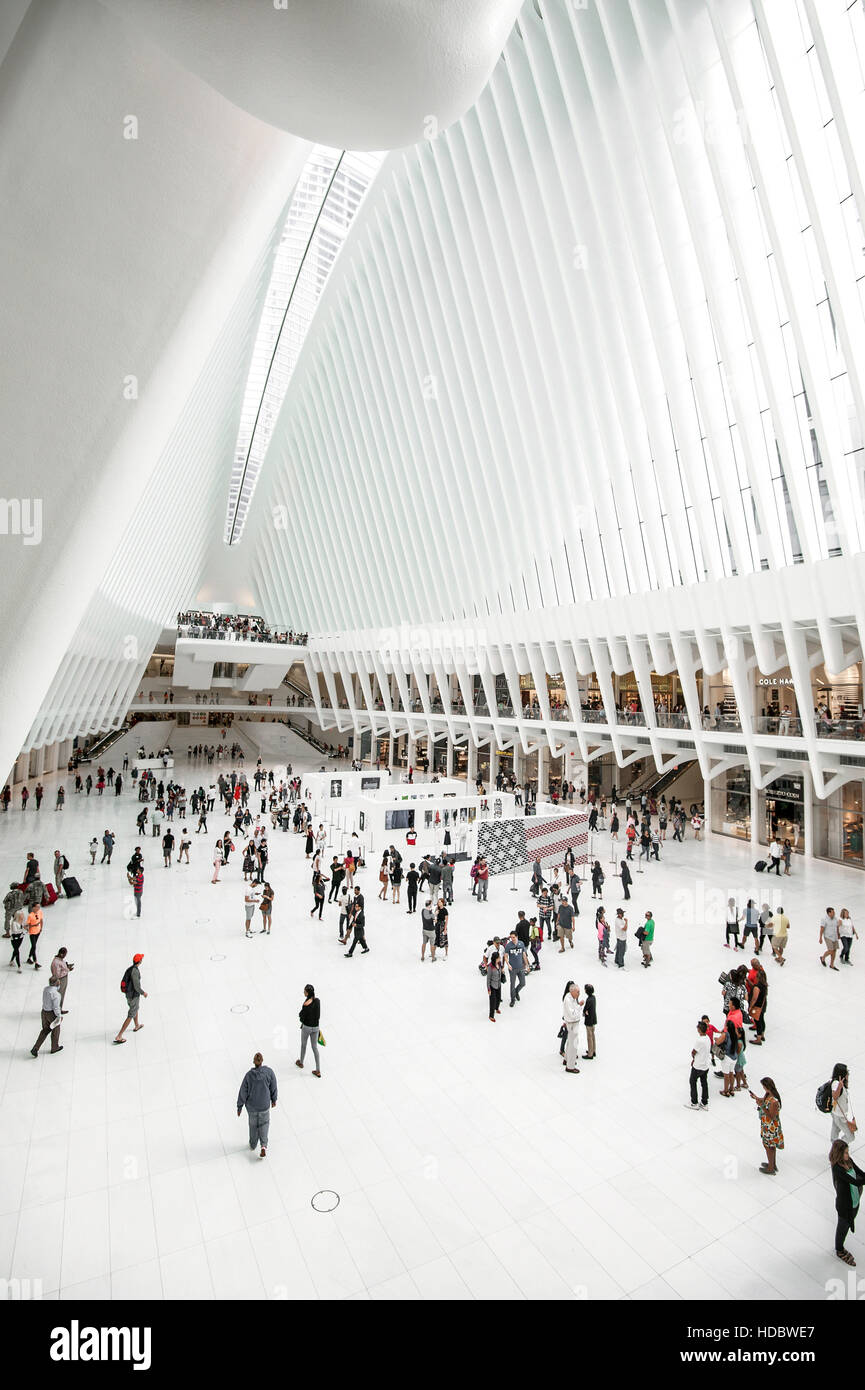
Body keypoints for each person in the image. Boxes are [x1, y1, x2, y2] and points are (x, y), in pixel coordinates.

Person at [830, 1140, 865, 1266]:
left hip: (854, 1201)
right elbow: (855, 1181)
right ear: (839, 1154)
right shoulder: (837, 1169)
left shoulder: (848, 1161)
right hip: (845, 1205)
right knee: (842, 1227)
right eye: (845, 1152)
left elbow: (860, 1173)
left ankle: (840, 1246)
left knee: (846, 1225)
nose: (847, 1154)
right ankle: (839, 1249)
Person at [237, 1052, 278, 1157]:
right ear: (262, 1061)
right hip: (264, 1105)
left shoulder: (249, 1076)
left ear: (254, 1062)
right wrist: (273, 1099)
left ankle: (253, 1144)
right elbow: (273, 1086)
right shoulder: (269, 1072)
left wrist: (239, 1106)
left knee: (253, 1126)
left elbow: (243, 1091)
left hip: (252, 1108)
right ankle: (263, 1146)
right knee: (265, 1125)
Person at [750, 1077, 784, 1174]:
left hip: (771, 1127)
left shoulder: (774, 1102)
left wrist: (762, 1106)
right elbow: (764, 1101)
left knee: (768, 1145)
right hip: (767, 1125)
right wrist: (756, 1098)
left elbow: (771, 1116)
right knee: (770, 1145)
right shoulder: (769, 1094)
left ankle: (771, 1168)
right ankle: (772, 1164)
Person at [114, 954, 147, 1042]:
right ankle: (119, 1036)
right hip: (133, 996)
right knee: (131, 1014)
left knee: (135, 1009)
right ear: (140, 962)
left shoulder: (130, 969)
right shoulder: (135, 971)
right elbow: (136, 986)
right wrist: (143, 993)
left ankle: (137, 1025)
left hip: (128, 995)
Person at [30, 977, 63, 1056]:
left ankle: (36, 1048)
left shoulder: (46, 989)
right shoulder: (56, 994)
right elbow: (56, 1007)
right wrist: (59, 1016)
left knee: (45, 1030)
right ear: (57, 983)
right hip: (52, 1014)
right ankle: (54, 1047)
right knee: (56, 1030)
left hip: (44, 1012)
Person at [295, 985, 322, 1077]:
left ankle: (301, 1062)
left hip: (306, 1027)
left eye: (304, 991)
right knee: (315, 1048)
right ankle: (318, 1070)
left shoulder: (306, 1004)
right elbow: (318, 1016)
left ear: (307, 993)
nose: (304, 992)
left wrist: (301, 1014)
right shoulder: (318, 1001)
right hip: (316, 1027)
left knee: (303, 1045)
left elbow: (302, 1017)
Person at [831, 1064, 857, 1148]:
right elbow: (835, 1096)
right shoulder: (836, 1083)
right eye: (847, 1072)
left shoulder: (838, 1083)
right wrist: (839, 1087)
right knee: (850, 1136)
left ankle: (835, 1147)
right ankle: (838, 1147)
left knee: (835, 1132)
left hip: (837, 1113)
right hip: (839, 1115)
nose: (848, 1074)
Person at [688, 1020, 711, 1110]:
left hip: (698, 1066)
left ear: (699, 1029)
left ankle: (694, 1102)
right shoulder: (708, 1038)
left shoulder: (699, 1041)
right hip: (705, 1065)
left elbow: (693, 1052)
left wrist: (693, 1058)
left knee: (692, 1082)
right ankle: (704, 1102)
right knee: (704, 1083)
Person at [562, 982, 581, 1073]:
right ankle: (570, 1066)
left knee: (570, 1042)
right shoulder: (568, 1000)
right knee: (573, 1045)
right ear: (572, 991)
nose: (579, 994)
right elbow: (573, 1014)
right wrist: (579, 1007)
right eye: (577, 992)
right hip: (572, 1023)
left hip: (573, 1023)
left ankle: (567, 1059)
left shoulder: (572, 997)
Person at [50, 947, 73, 1013]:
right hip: (60, 980)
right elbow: (57, 974)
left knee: (62, 994)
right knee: (59, 995)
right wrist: (68, 970)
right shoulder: (56, 962)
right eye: (65, 954)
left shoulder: (60, 960)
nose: (65, 956)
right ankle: (56, 1010)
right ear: (61, 954)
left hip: (63, 979)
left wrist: (67, 966)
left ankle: (59, 1009)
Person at [582, 983, 597, 1060]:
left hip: (589, 1021)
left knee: (589, 1037)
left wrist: (584, 1012)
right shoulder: (593, 998)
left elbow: (585, 1010)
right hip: (593, 1020)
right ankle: (593, 1050)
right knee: (593, 1036)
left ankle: (590, 1054)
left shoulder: (588, 1000)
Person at [26, 904, 43, 968]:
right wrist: (34, 925)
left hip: (38, 932)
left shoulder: (40, 912)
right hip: (32, 932)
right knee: (34, 946)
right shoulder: (30, 915)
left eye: (39, 907)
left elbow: (41, 920)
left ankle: (29, 958)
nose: (38, 908)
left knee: (33, 946)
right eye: (37, 907)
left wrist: (41, 928)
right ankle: (36, 962)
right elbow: (27, 925)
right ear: (33, 908)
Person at [487, 951, 502, 1021]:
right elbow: (488, 979)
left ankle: (497, 1008)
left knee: (498, 998)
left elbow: (500, 971)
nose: (500, 958)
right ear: (495, 959)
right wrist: (489, 989)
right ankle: (491, 1015)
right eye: (498, 958)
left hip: (498, 984)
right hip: (492, 986)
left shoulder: (499, 963)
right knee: (492, 1001)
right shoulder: (490, 967)